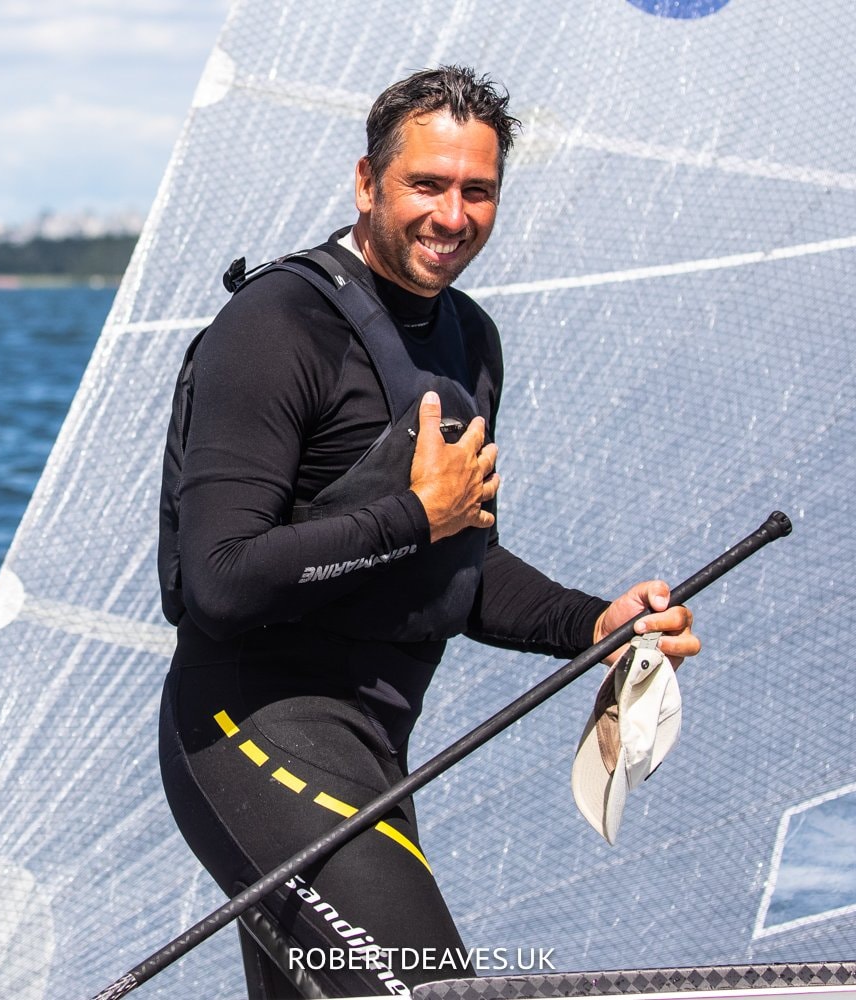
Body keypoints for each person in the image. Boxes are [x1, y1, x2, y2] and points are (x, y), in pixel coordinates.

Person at [157, 65, 700, 999]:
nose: (453, 216)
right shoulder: (276, 326)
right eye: (427, 185)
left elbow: (458, 563)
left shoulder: (470, 340)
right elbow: (217, 578)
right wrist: (412, 514)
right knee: (430, 991)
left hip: (374, 743)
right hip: (251, 731)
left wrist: (596, 625)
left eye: (477, 191)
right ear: (367, 183)